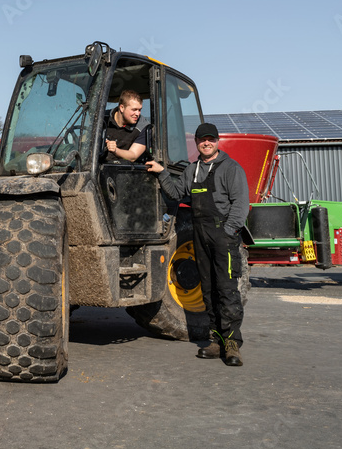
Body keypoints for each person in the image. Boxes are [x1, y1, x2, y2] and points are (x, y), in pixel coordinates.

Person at [145, 122, 249, 366]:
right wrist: (161, 172)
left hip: (223, 235)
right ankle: (216, 340)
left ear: (217, 141)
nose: (206, 143)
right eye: (202, 139)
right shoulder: (191, 170)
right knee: (208, 289)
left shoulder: (231, 168)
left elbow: (240, 204)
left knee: (227, 289)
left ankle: (232, 343)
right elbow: (174, 192)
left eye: (211, 139)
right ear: (197, 143)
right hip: (200, 235)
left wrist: (228, 231)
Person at [103, 90, 146, 162]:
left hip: (125, 169)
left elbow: (133, 156)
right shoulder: (102, 118)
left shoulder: (143, 126)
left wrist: (115, 150)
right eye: (134, 110)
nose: (137, 114)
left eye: (139, 110)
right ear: (122, 108)